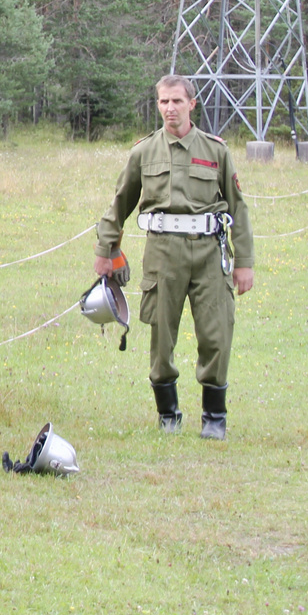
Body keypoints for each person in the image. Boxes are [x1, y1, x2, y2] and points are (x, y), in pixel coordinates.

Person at [95, 74, 254, 440]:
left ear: (192, 104)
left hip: (209, 251)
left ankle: (214, 417)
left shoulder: (216, 151)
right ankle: (168, 413)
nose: (170, 109)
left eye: (177, 102)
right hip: (163, 253)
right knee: (161, 336)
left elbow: (239, 209)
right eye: (164, 102)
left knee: (216, 335)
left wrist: (244, 262)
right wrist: (106, 250)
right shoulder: (143, 152)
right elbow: (119, 204)